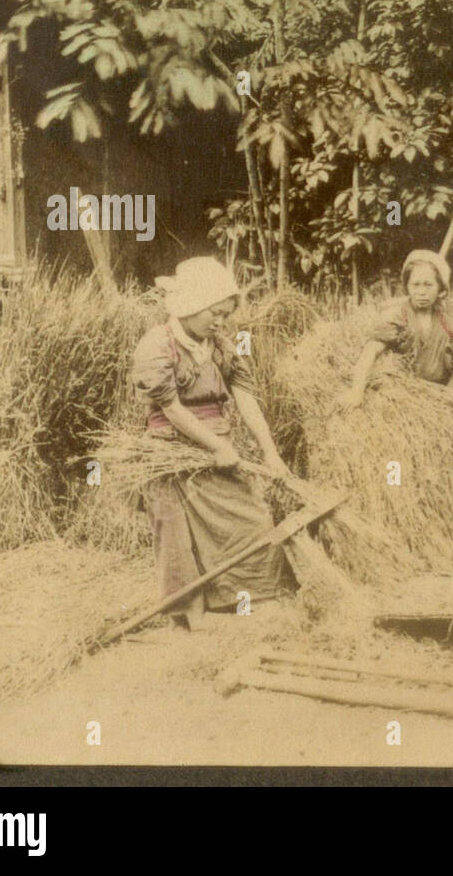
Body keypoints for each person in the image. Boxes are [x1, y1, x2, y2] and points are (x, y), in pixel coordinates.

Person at [131, 257, 294, 631]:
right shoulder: (157, 345)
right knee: (176, 532)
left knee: (250, 516)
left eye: (225, 314)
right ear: (189, 306)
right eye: (214, 313)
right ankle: (192, 615)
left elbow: (246, 398)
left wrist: (270, 452)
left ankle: (247, 598)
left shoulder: (221, 346)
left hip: (218, 445)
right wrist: (215, 447)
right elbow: (170, 408)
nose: (220, 322)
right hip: (169, 447)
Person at [339, 249, 453, 409]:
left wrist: (447, 394)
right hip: (404, 395)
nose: (421, 292)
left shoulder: (447, 323)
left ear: (440, 289)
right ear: (407, 286)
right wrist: (357, 390)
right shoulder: (398, 317)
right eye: (415, 285)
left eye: (428, 285)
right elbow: (370, 352)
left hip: (436, 396)